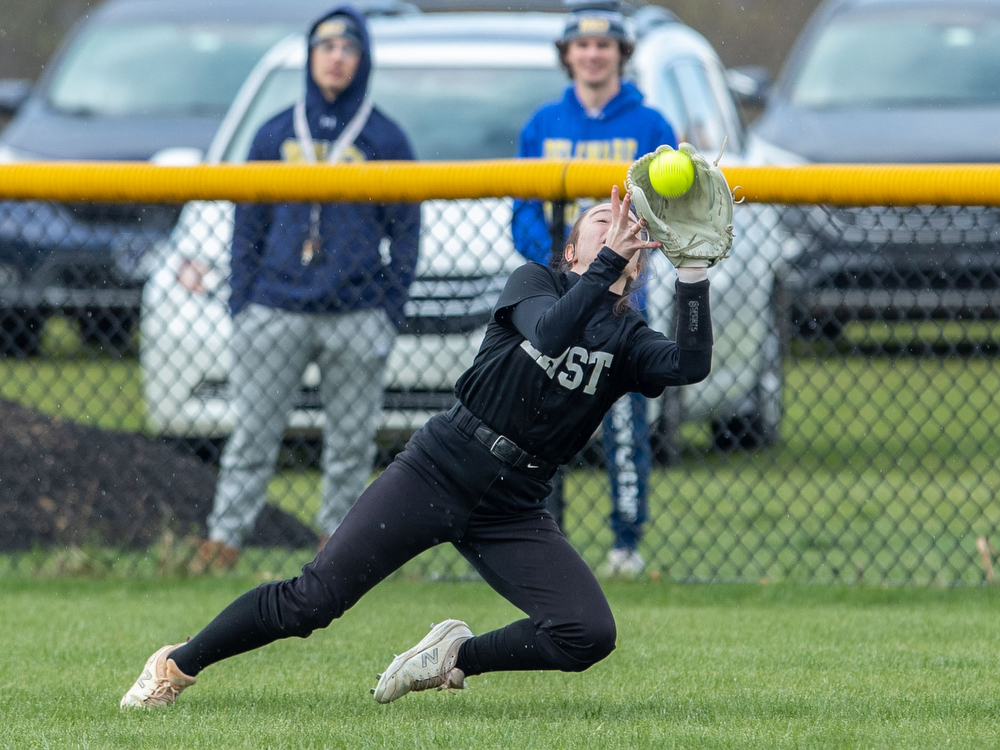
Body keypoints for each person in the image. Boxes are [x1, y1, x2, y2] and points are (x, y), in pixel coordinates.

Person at [120, 184, 714, 709]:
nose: (617, 229)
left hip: (514, 504)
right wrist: (607, 263)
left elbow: (690, 365)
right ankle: (175, 665)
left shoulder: (629, 338)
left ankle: (454, 656)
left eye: (626, 228)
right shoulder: (535, 283)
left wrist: (691, 273)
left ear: (639, 265)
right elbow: (552, 331)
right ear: (573, 252)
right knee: (313, 601)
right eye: (602, 222)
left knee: (588, 633)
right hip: (439, 469)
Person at [189, 5, 420, 573]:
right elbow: (247, 223)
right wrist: (243, 302)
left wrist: (388, 308)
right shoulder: (274, 131)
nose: (336, 58)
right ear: (310, 56)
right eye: (326, 47)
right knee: (253, 436)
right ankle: (224, 541)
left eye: (348, 48)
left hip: (357, 311)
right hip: (275, 308)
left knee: (350, 445)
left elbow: (407, 231)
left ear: (363, 60)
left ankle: (336, 550)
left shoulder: (385, 135)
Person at [512, 0, 678, 577]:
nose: (592, 54)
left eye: (603, 44)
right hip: (559, 296)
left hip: (623, 299)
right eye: (581, 45)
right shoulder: (542, 124)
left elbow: (667, 212)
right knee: (541, 416)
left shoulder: (650, 125)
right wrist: (564, 269)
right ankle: (534, 531)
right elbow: (522, 211)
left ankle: (625, 542)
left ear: (621, 53)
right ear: (567, 54)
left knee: (624, 424)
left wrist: (619, 266)